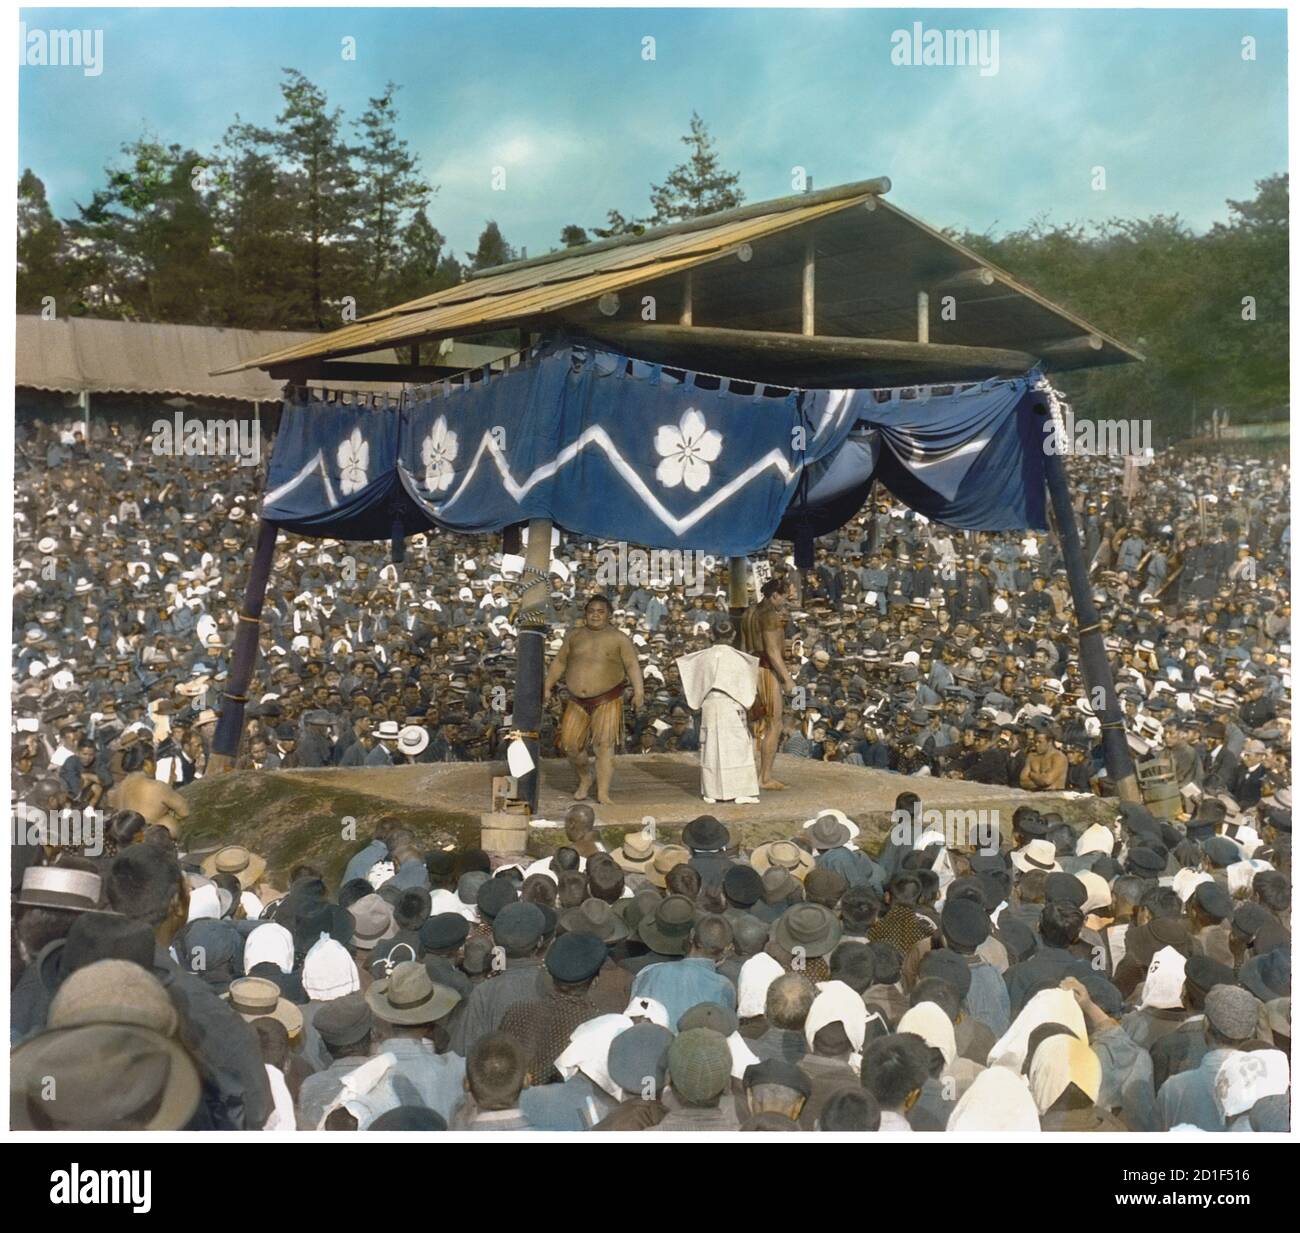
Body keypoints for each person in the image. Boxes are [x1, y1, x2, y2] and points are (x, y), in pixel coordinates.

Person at [544, 595, 645, 803]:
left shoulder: (619, 638)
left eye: (600, 612)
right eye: (591, 611)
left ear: (608, 615)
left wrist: (639, 691)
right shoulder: (574, 636)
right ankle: (585, 778)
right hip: (576, 700)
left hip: (607, 698)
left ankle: (603, 792)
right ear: (585, 614)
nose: (596, 615)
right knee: (570, 746)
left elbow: (633, 665)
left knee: (604, 745)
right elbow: (560, 662)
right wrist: (547, 686)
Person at [674, 628, 760, 804]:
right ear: (733, 635)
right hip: (731, 703)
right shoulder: (740, 658)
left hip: (711, 703)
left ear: (711, 635)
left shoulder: (701, 657)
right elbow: (748, 687)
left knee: (711, 746)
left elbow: (689, 672)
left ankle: (711, 792)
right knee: (737, 747)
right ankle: (739, 791)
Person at [740, 576, 797, 791]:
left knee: (754, 722)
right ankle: (764, 777)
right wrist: (787, 679)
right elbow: (773, 653)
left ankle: (751, 774)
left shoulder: (750, 612)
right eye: (784, 597)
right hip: (765, 669)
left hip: (749, 666)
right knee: (775, 723)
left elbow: (746, 645)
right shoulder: (770, 615)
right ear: (775, 595)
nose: (786, 601)